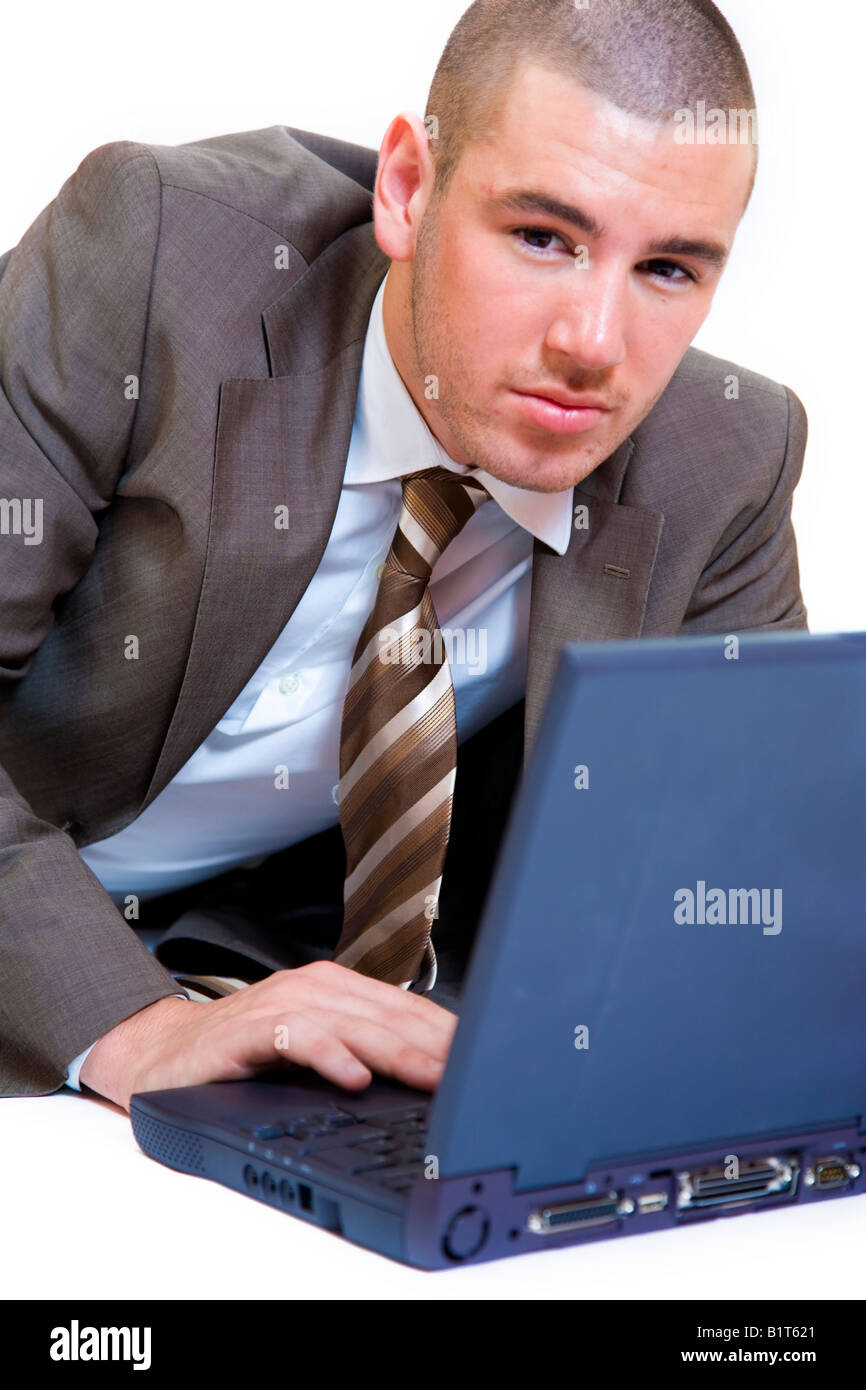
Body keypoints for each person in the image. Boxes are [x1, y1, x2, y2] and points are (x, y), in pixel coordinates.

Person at [0, 0, 807, 1110]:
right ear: (406, 189)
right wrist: (133, 1026)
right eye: (540, 237)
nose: (591, 345)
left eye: (667, 269)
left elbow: (729, 885)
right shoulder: (157, 263)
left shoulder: (726, 460)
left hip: (290, 1012)